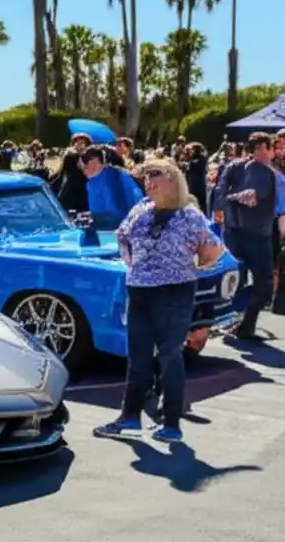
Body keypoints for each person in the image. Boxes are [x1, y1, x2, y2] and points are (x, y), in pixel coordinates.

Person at [95, 159, 223, 444]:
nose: (149, 181)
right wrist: (136, 266)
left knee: (170, 354)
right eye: (146, 177)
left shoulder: (189, 215)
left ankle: (172, 424)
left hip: (174, 291)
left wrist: (197, 264)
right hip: (140, 290)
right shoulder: (141, 209)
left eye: (156, 175)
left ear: (173, 180)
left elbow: (214, 248)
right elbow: (122, 237)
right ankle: (129, 418)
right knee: (138, 357)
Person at [217, 131, 276, 340]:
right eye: (271, 147)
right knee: (263, 281)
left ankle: (236, 321)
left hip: (233, 232)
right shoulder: (262, 171)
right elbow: (251, 197)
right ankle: (245, 324)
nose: (274, 152)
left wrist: (228, 200)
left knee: (235, 279)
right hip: (255, 235)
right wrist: (235, 199)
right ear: (261, 149)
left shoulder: (231, 167)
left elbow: (219, 197)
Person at [82, 145, 144, 230]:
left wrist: (92, 218)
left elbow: (118, 213)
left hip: (115, 232)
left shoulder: (109, 179)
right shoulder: (113, 175)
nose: (83, 169)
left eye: (85, 164)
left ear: (95, 161)